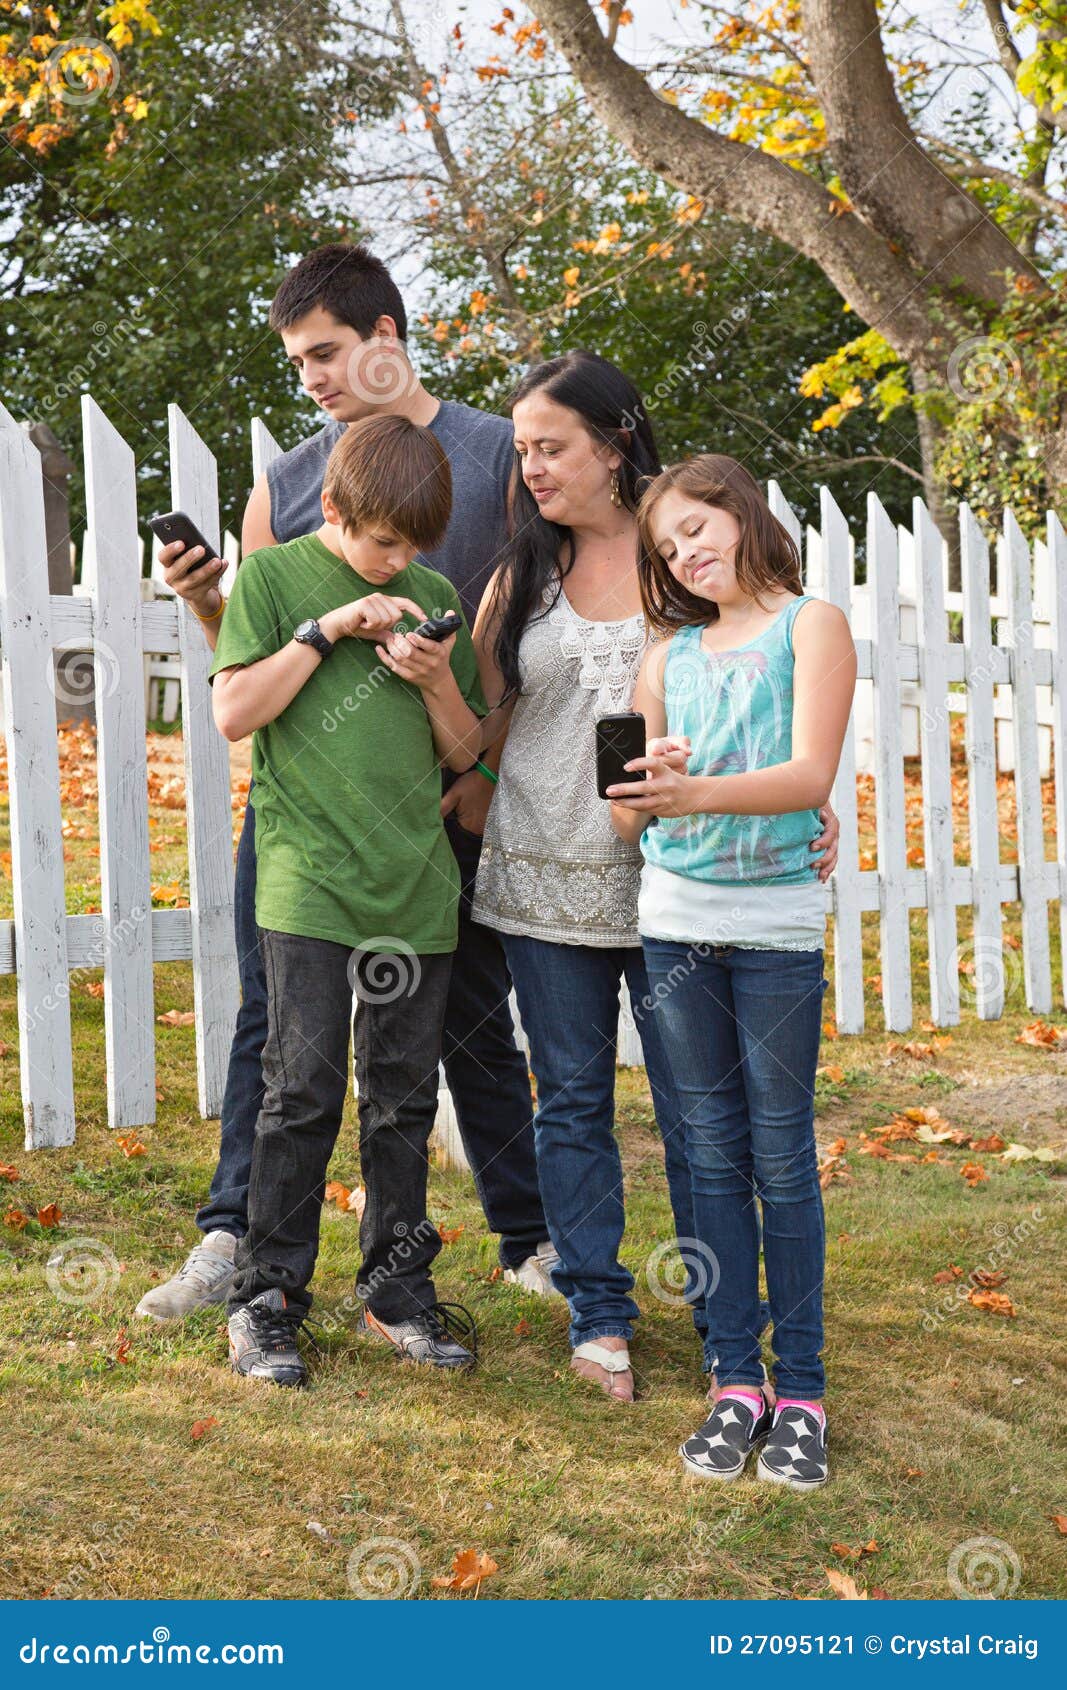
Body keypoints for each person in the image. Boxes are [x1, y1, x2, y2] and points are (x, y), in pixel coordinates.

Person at [136, 244, 555, 1325]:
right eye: (297, 361)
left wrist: (482, 767)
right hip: (305, 809)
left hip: (439, 787)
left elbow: (524, 633)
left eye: (324, 352)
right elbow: (253, 658)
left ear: (385, 338)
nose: (312, 378)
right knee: (278, 1030)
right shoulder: (286, 486)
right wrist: (202, 601)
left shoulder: (498, 452)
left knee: (465, 1024)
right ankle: (237, 1242)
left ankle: (520, 1239)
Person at [470, 352, 841, 1403]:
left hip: (684, 882)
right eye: (521, 450)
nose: (531, 468)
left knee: (698, 1109)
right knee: (575, 1099)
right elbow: (484, 721)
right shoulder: (523, 574)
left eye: (550, 446)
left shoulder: (684, 551)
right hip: (548, 878)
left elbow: (760, 695)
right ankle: (599, 1315)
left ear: (613, 442)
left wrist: (811, 799)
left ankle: (724, 1316)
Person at [213, 415, 500, 1384]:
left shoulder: (429, 596)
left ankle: (395, 1291)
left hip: (413, 889)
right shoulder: (273, 578)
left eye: (414, 546)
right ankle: (266, 1298)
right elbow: (232, 713)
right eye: (383, 543)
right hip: (309, 884)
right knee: (299, 1094)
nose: (399, 563)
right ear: (334, 510)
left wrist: (427, 681)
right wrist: (326, 630)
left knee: (402, 1101)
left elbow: (465, 756)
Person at [610, 453, 856, 1485]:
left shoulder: (814, 625)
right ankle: (731, 1379)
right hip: (675, 923)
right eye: (668, 546)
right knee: (706, 1153)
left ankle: (798, 1389)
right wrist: (650, 778)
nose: (686, 553)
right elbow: (620, 802)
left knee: (780, 1155)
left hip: (776, 928)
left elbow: (807, 774)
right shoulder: (666, 655)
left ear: (742, 513)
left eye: (697, 527)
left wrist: (694, 790)